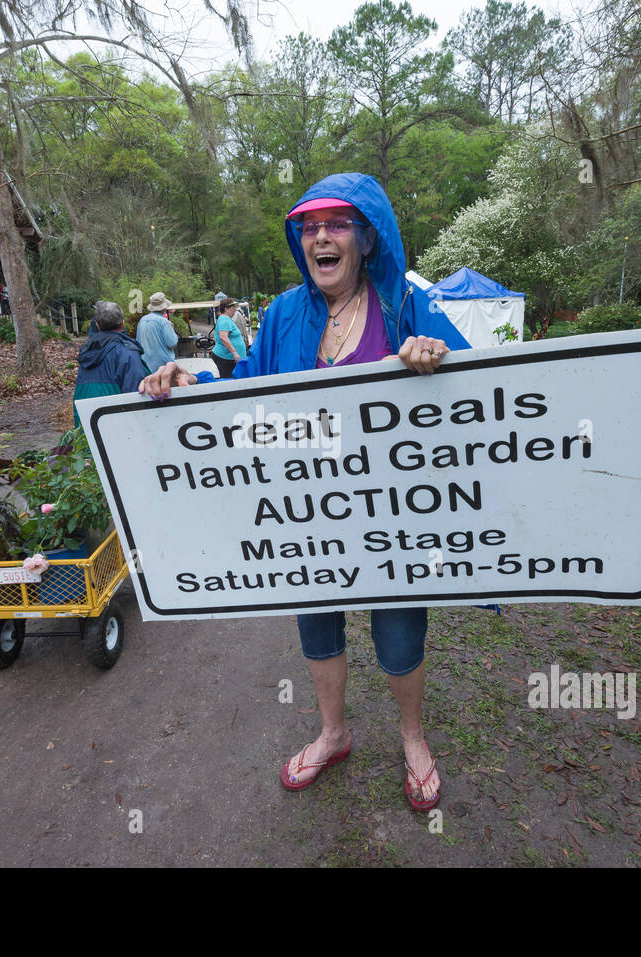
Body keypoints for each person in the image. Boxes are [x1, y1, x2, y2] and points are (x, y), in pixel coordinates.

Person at [139, 172, 470, 810]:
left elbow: (475, 400)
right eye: (309, 227)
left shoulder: (409, 305)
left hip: (393, 517)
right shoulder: (285, 314)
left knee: (399, 630)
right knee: (317, 627)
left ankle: (412, 739)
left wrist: (439, 357)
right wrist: (186, 381)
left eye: (337, 223)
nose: (321, 236)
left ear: (366, 238)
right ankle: (333, 733)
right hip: (305, 518)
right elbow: (246, 399)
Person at [71, 301, 148, 428]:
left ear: (97, 324)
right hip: (116, 426)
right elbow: (138, 395)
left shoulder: (87, 353)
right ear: (122, 323)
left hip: (86, 423)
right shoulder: (127, 353)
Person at [137, 292, 178, 373]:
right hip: (163, 365)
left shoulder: (142, 320)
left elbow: (138, 342)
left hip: (145, 365)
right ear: (164, 307)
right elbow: (172, 343)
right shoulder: (164, 322)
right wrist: (172, 329)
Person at [210, 297, 246, 378]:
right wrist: (235, 353)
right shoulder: (224, 320)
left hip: (229, 359)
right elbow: (223, 337)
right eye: (232, 307)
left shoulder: (225, 319)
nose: (234, 309)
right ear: (226, 308)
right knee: (228, 382)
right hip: (226, 358)